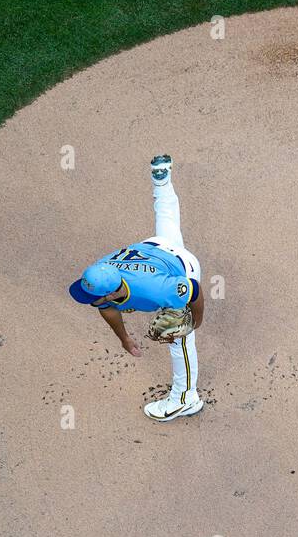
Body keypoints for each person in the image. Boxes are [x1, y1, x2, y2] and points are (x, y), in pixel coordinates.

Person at [69, 155, 206, 421]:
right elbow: (104, 306)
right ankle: (162, 181)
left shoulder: (156, 290)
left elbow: (195, 290)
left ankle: (185, 397)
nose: (89, 300)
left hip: (181, 266)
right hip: (153, 247)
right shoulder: (101, 274)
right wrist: (124, 338)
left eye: (92, 297)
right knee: (166, 222)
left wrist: (195, 322)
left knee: (178, 336)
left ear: (111, 292)